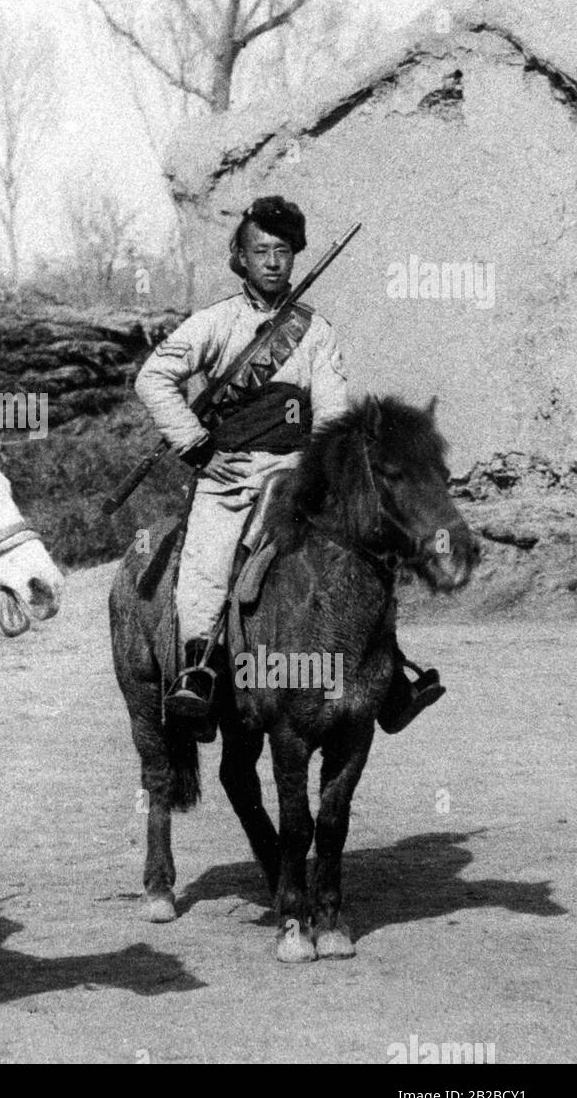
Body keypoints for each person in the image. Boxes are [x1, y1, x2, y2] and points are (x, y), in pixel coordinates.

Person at [134, 195, 444, 740]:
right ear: (242, 257)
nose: (273, 262)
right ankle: (200, 668)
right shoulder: (215, 323)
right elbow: (153, 378)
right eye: (261, 251)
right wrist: (199, 448)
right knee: (208, 557)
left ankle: (389, 671)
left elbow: (331, 411)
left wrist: (319, 470)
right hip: (228, 474)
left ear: (295, 256)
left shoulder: (316, 332)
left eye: (283, 251)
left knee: (364, 553)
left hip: (297, 472)